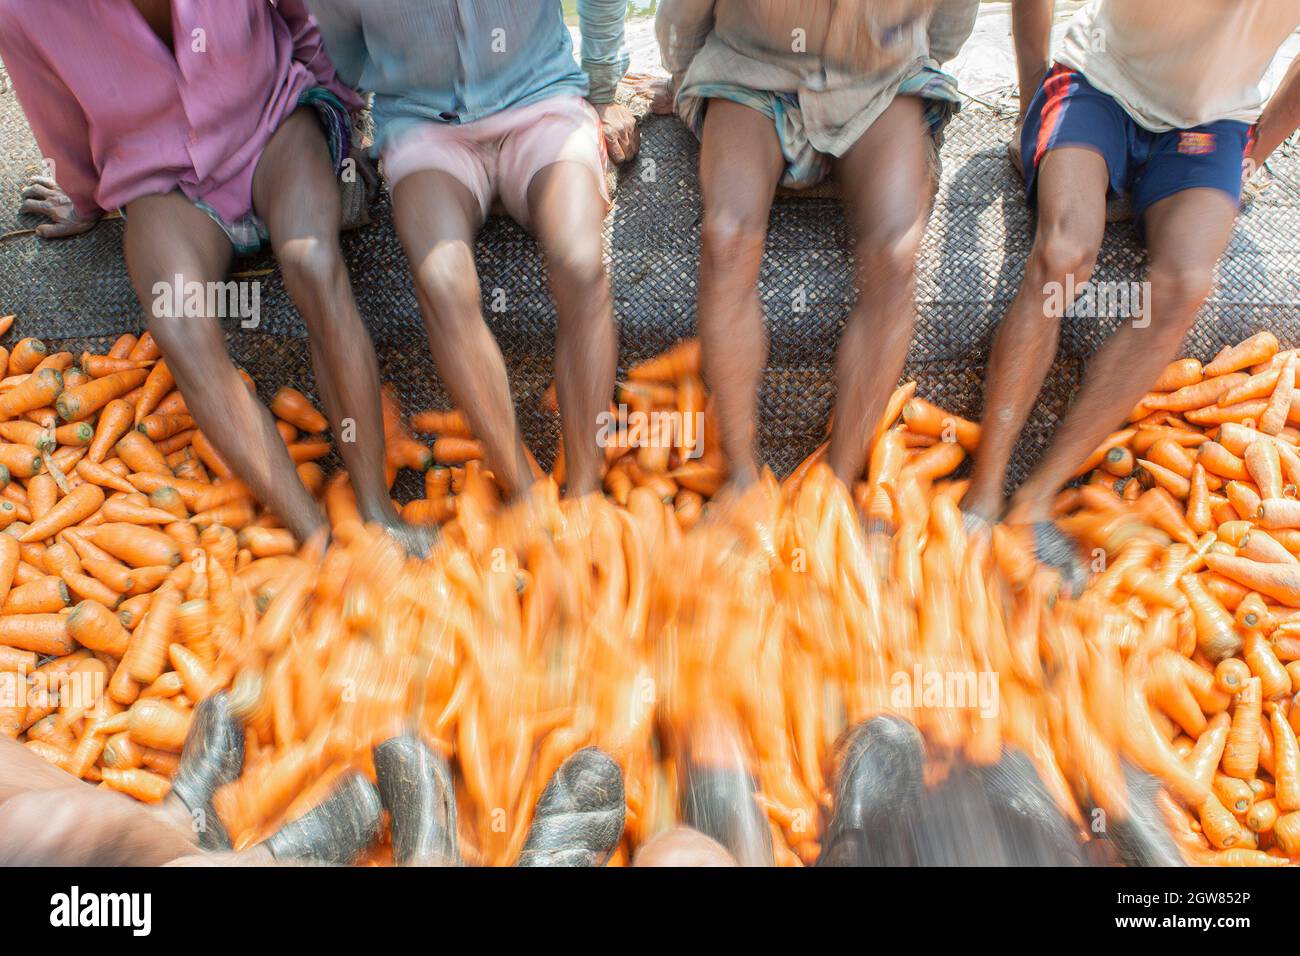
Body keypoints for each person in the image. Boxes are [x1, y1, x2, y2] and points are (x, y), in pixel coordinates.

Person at [0, 0, 431, 554]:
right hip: (160, 177)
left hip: (274, 127)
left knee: (313, 263)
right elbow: (57, 116)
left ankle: (377, 514)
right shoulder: (24, 12)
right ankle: (318, 542)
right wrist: (82, 199)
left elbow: (307, 17)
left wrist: (343, 122)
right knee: (178, 321)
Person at [961, 0, 1300, 574]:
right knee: (1065, 254)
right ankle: (983, 491)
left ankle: (1037, 496)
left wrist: (1255, 151)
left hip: (1210, 124)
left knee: (1186, 285)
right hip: (1096, 83)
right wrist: (1029, 100)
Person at [305, 0, 640, 499]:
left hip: (543, 104)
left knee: (580, 264)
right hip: (425, 125)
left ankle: (585, 493)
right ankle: (526, 494)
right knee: (442, 280)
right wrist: (349, 132)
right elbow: (339, 49)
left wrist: (600, 85)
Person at [656, 0, 978, 491]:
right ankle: (739, 477)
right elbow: (682, 19)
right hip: (751, 72)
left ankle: (837, 482)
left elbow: (950, 22)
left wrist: (900, 49)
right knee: (727, 239)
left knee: (894, 255)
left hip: (878, 80)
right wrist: (683, 79)